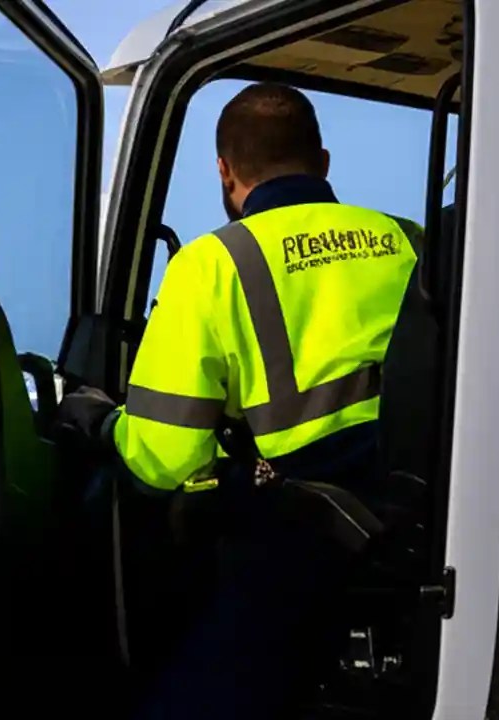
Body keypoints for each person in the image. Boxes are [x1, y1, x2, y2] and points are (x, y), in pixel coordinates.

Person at [58, 82, 421, 719]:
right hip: (433, 513)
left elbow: (163, 457)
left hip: (314, 534)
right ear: (324, 162)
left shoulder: (212, 265)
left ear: (224, 171)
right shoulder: (410, 238)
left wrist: (98, 421)